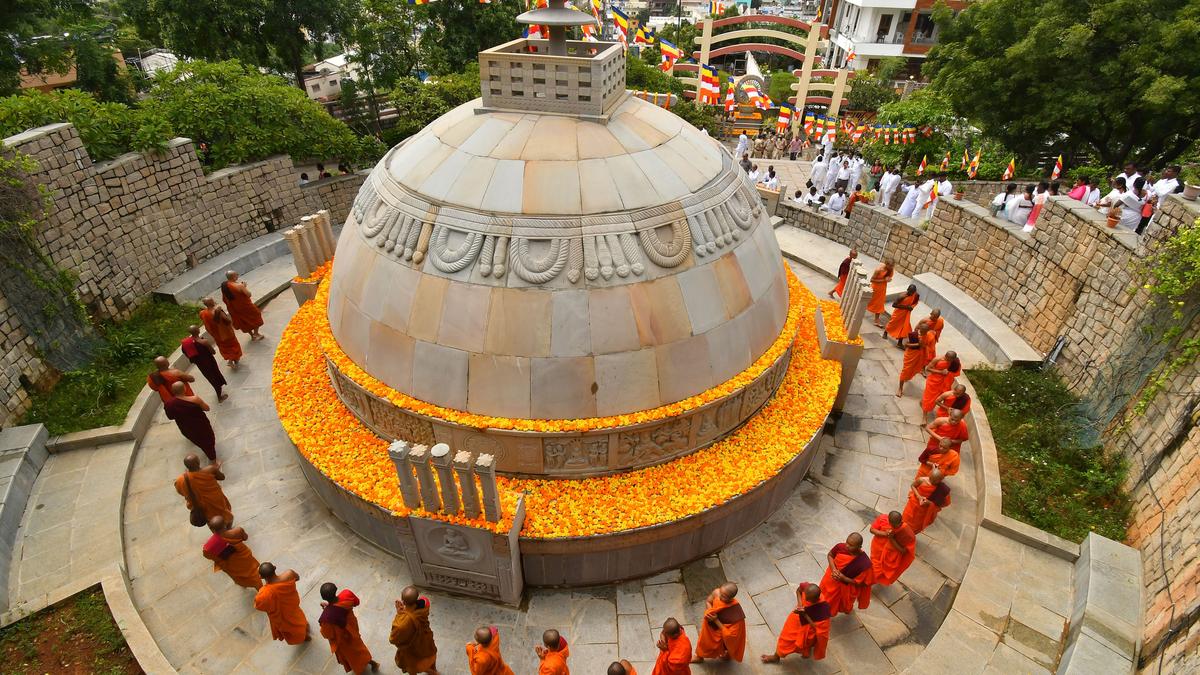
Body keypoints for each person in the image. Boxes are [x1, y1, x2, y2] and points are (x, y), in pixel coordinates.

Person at [760, 583, 829, 664]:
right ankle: (776, 656)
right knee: (785, 640)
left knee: (807, 642)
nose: (805, 598)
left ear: (816, 599)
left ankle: (804, 650)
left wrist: (804, 615)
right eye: (805, 596)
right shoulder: (806, 587)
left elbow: (817, 629)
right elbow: (798, 591)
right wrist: (800, 605)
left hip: (807, 626)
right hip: (796, 620)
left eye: (808, 599)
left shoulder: (823, 610)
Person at [319, 583, 378, 674]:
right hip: (353, 627)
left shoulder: (326, 618)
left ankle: (365, 665)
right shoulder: (346, 594)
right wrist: (329, 609)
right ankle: (371, 663)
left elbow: (327, 634)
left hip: (343, 639)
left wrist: (328, 611)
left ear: (323, 598)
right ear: (336, 589)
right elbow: (356, 602)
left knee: (352, 655)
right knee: (359, 647)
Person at [255, 562, 310, 644]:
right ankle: (304, 629)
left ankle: (303, 637)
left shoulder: (263, 594)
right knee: (299, 617)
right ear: (274, 567)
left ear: (261, 577)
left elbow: (259, 606)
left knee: (292, 629)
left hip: (282, 617)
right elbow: (297, 578)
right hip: (293, 606)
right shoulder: (289, 574)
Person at [819, 533, 874, 616]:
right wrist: (834, 569)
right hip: (830, 579)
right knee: (824, 596)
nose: (847, 546)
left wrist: (844, 579)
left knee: (839, 603)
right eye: (847, 542)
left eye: (851, 545)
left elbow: (862, 583)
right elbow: (830, 555)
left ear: (859, 547)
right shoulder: (840, 547)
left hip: (846, 587)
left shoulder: (864, 563)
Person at [390, 586, 439, 675]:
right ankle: (433, 670)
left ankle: (431, 672)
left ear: (403, 601)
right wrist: (405, 611)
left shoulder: (403, 623)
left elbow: (393, 639)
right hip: (426, 640)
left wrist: (400, 614)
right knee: (431, 656)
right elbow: (416, 608)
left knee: (411, 667)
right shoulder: (425, 603)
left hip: (413, 649)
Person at [203, 515, 261, 589]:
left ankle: (243, 584)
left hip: (230, 564)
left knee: (238, 577)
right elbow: (245, 537)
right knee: (252, 574)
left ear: (212, 529)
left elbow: (208, 556)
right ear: (225, 524)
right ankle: (258, 587)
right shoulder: (238, 531)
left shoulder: (209, 546)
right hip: (244, 558)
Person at [693, 582, 746, 663]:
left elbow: (731, 636)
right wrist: (710, 611)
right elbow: (708, 601)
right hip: (710, 628)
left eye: (724, 596)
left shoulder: (736, 613)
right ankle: (699, 657)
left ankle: (728, 655)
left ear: (731, 598)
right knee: (705, 643)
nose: (720, 597)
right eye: (721, 593)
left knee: (728, 644)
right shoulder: (717, 592)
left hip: (721, 631)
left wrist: (715, 620)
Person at [164, 381, 217, 460]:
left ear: (173, 391)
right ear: (184, 389)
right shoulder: (194, 399)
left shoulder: (169, 404)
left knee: (198, 440)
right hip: (201, 426)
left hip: (186, 428)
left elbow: (170, 417)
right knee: (208, 441)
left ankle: (207, 450)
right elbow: (207, 408)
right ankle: (213, 460)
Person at [175, 454, 231, 522]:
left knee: (210, 519)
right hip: (216, 500)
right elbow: (222, 477)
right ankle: (226, 525)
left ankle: (216, 527)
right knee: (226, 516)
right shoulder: (210, 469)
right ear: (198, 462)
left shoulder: (180, 480)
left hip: (201, 508)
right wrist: (216, 470)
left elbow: (181, 492)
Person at [181, 325, 228, 402]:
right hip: (209, 362)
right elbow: (213, 352)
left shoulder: (186, 344)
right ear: (198, 331)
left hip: (200, 364)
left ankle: (219, 391)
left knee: (210, 378)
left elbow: (186, 353)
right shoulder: (203, 342)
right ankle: (219, 397)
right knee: (215, 377)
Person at [869, 511, 916, 586]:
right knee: (873, 566)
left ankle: (872, 580)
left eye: (898, 525)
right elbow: (872, 530)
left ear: (901, 521)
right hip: (877, 549)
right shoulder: (882, 518)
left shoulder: (905, 531)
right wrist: (886, 534)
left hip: (888, 556)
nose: (896, 527)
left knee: (879, 571)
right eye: (893, 525)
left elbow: (903, 551)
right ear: (889, 521)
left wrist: (891, 539)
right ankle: (870, 578)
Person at [903, 468, 951, 534]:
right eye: (931, 479)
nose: (932, 482)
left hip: (924, 510)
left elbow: (945, 503)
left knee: (917, 524)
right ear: (929, 476)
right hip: (914, 503)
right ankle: (902, 529)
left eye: (935, 481)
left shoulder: (943, 489)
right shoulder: (921, 480)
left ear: (940, 480)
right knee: (906, 518)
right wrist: (919, 496)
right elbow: (913, 486)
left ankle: (911, 534)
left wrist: (930, 503)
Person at [221, 271, 264, 341]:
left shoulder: (224, 285)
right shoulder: (239, 286)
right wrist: (244, 286)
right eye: (236, 274)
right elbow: (249, 294)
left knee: (244, 322)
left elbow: (225, 298)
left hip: (235, 308)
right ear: (234, 277)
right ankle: (256, 333)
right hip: (245, 307)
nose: (238, 275)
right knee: (256, 315)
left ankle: (252, 336)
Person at [200, 297, 242, 369]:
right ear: (212, 302)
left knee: (225, 348)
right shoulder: (217, 311)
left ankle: (233, 360)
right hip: (226, 333)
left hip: (216, 334)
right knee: (233, 346)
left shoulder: (202, 313)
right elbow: (227, 321)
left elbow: (207, 322)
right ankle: (231, 360)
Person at [921, 352, 961, 419]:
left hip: (945, 383)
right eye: (948, 359)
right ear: (945, 356)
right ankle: (924, 417)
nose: (949, 361)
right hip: (933, 381)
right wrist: (940, 372)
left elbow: (955, 372)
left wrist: (949, 373)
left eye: (951, 360)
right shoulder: (938, 359)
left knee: (935, 398)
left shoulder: (955, 362)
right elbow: (928, 369)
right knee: (928, 398)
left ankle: (923, 402)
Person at [896, 325, 926, 398]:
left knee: (914, 368)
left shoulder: (926, 336)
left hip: (919, 355)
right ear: (919, 329)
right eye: (921, 332)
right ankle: (900, 388)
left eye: (924, 332)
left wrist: (922, 344)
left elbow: (924, 346)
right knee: (905, 371)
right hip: (911, 355)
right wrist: (918, 344)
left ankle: (907, 376)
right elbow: (906, 344)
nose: (922, 333)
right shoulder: (914, 335)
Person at [867, 260, 894, 327]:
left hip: (882, 289)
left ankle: (876, 320)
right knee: (869, 301)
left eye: (892, 266)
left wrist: (888, 279)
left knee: (880, 305)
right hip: (875, 288)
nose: (891, 267)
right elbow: (872, 280)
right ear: (886, 264)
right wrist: (884, 280)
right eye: (890, 266)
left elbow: (888, 278)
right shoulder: (879, 270)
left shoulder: (891, 270)